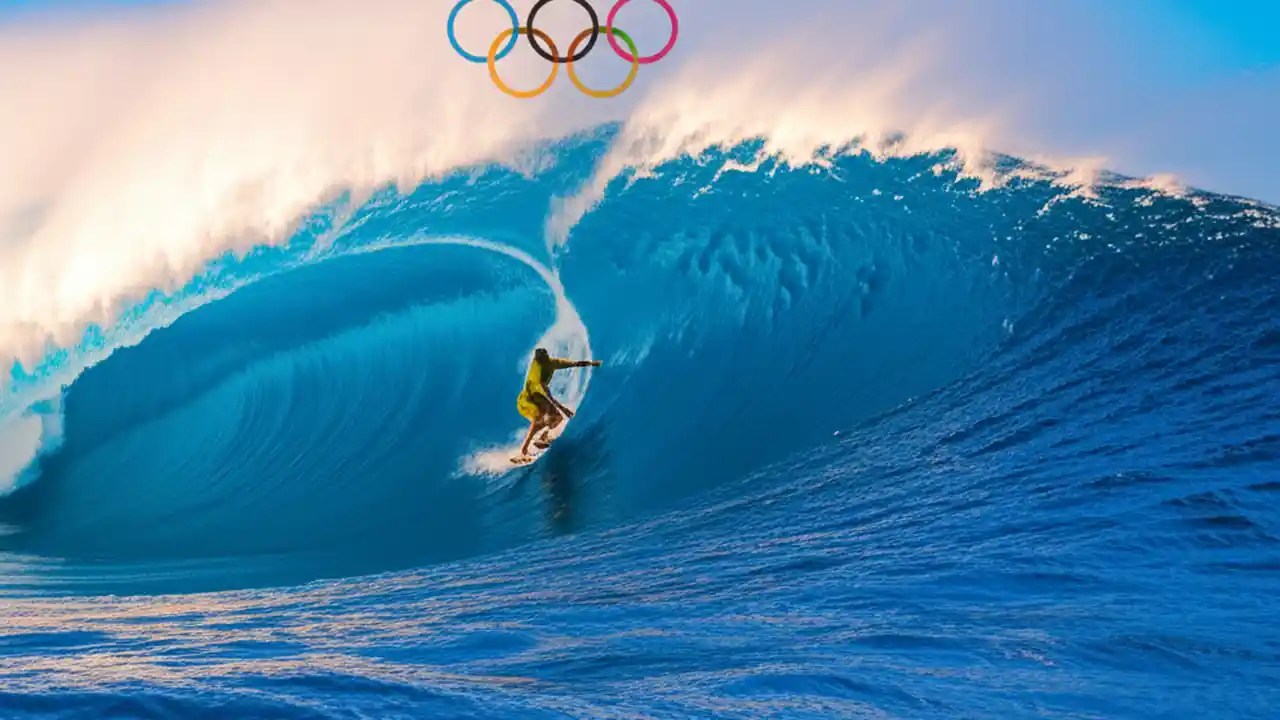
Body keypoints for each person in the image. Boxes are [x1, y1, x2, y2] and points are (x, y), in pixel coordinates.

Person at [516, 348, 601, 460]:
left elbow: (574, 363)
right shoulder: (537, 376)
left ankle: (543, 437)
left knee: (558, 418)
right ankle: (523, 450)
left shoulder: (553, 363)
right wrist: (563, 408)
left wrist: (592, 363)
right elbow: (548, 397)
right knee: (538, 417)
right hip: (527, 400)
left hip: (540, 398)